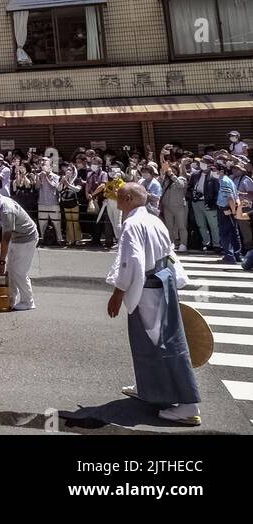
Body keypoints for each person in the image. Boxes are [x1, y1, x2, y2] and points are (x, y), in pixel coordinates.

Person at [106, 182, 202, 426]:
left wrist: (118, 292)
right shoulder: (153, 219)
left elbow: (131, 261)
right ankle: (147, 386)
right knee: (150, 340)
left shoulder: (132, 224)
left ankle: (189, 405)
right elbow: (168, 253)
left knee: (163, 342)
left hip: (149, 288)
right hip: (162, 282)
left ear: (127, 199)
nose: (116, 196)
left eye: (119, 194)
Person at [0, 184, 38, 311]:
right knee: (11, 270)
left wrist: (1, 260)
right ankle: (10, 299)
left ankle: (28, 301)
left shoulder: (6, 210)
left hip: (26, 238)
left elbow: (5, 239)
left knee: (19, 272)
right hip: (17, 237)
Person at [214, 160, 244, 264]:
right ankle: (237, 255)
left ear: (221, 171)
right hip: (230, 208)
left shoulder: (224, 181)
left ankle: (229, 256)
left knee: (225, 233)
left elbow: (230, 198)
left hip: (226, 209)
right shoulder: (228, 180)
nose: (213, 171)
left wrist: (233, 211)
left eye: (214, 169)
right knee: (233, 232)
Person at [160, 160, 189, 253]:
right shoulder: (165, 180)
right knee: (169, 226)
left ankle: (183, 244)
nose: (171, 171)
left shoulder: (182, 178)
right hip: (167, 207)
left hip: (179, 206)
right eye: (170, 170)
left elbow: (180, 185)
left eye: (173, 170)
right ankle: (171, 242)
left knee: (181, 226)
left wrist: (172, 175)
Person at [36, 158, 64, 247]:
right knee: (42, 223)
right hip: (42, 202)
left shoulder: (55, 176)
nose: (44, 166)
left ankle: (60, 239)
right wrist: (38, 177)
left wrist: (46, 177)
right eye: (42, 164)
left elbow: (54, 186)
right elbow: (37, 187)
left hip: (53, 203)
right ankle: (43, 238)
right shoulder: (39, 175)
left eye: (46, 164)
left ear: (51, 166)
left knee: (57, 223)